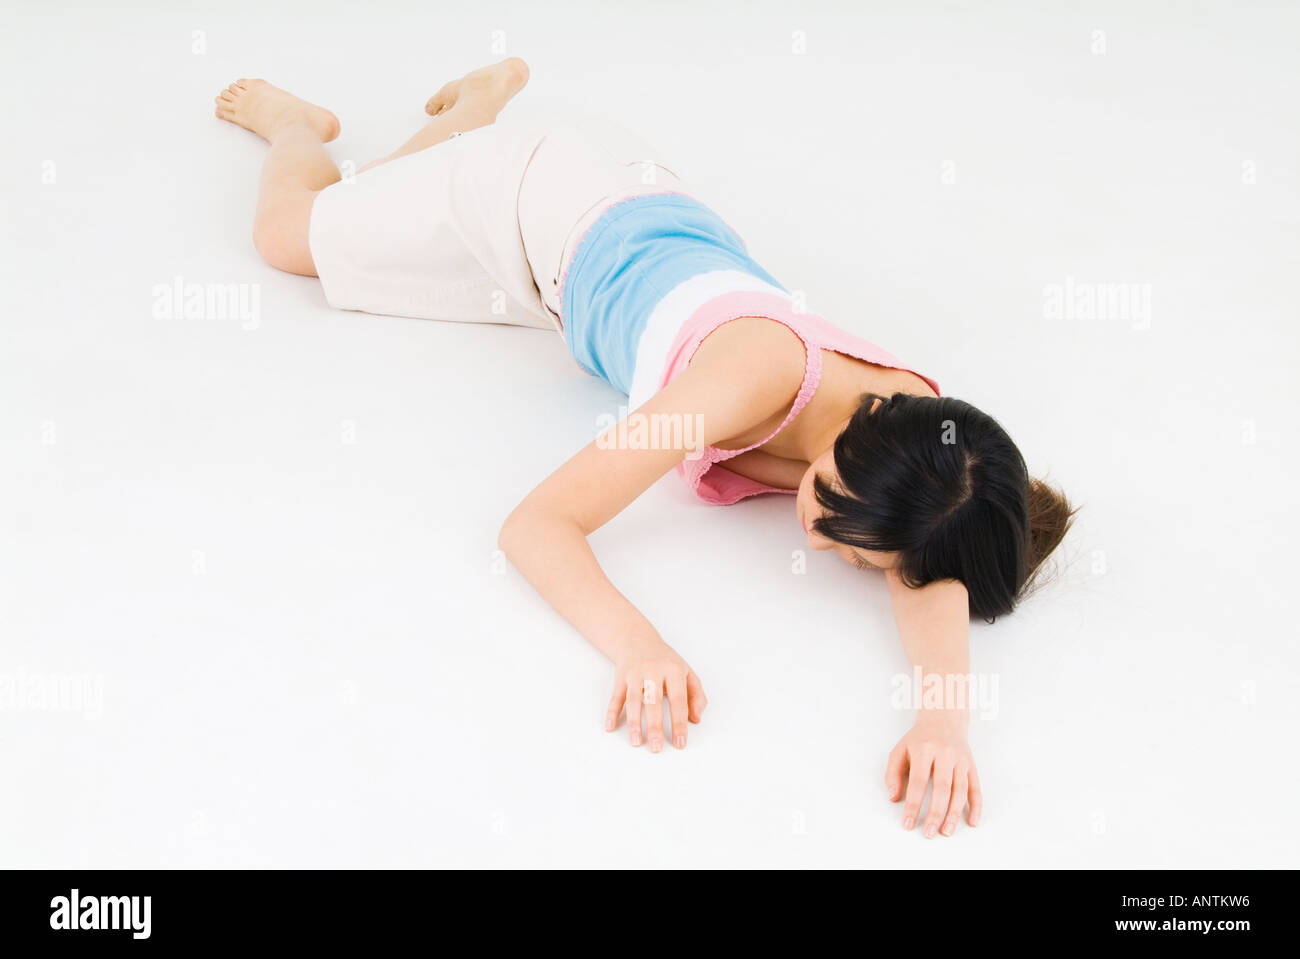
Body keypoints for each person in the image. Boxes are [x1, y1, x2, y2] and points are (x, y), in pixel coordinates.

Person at [215, 57, 1074, 839]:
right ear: (848, 452)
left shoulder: (924, 432)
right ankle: (300, 126)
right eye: (837, 528)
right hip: (533, 200)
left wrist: (943, 721)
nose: (817, 542)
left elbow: (930, 563)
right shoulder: (739, 379)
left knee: (382, 210)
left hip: (622, 216)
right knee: (290, 237)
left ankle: (473, 112)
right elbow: (537, 523)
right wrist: (638, 645)